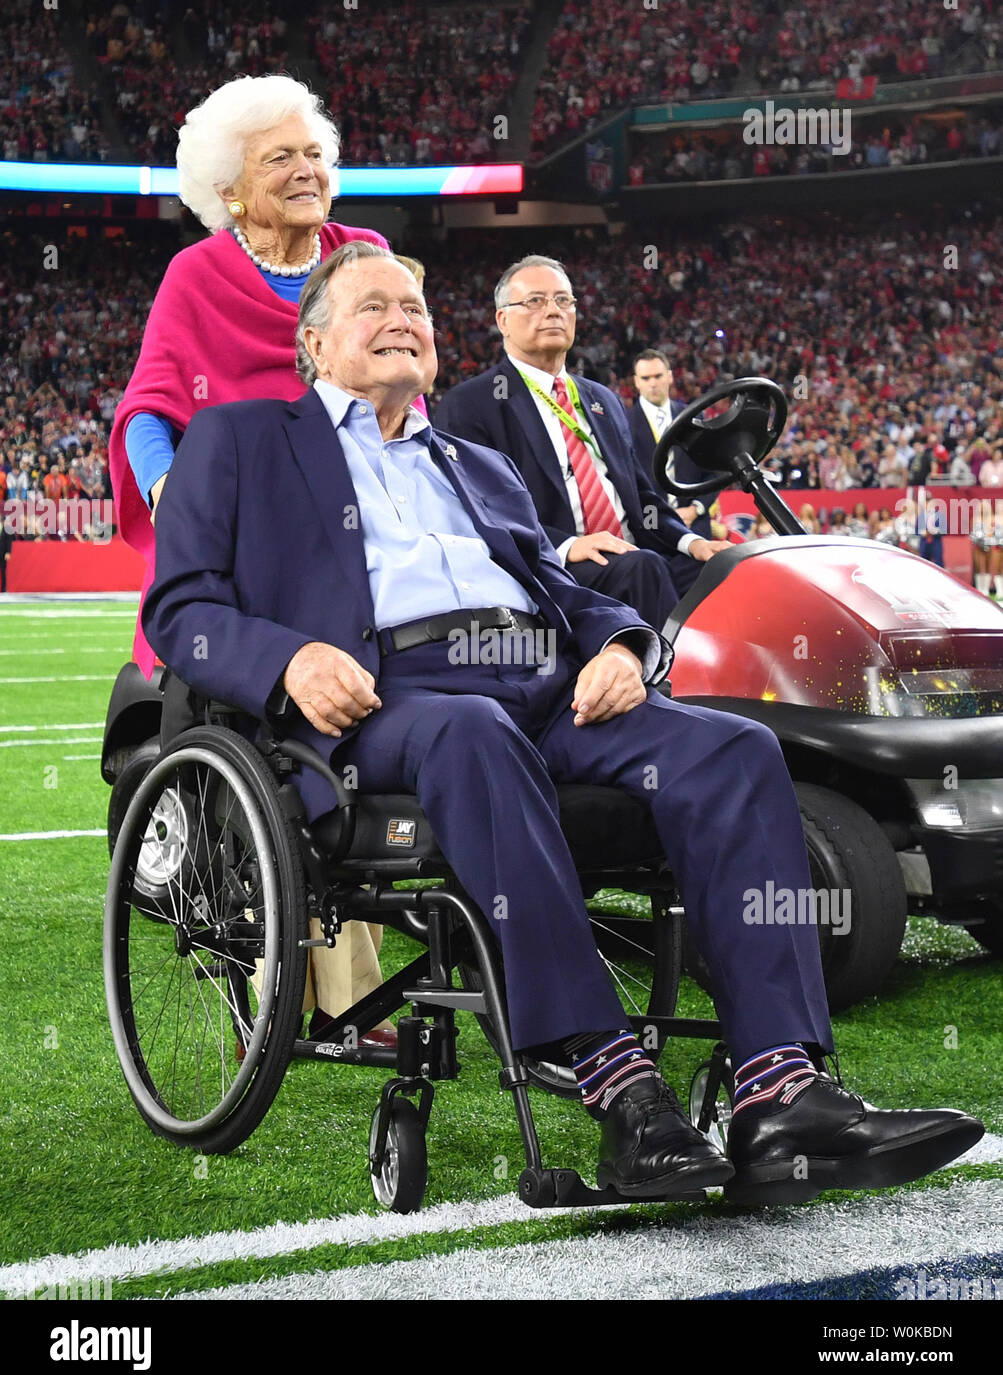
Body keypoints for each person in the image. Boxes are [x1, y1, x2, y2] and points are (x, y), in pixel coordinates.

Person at [143, 242, 982, 1203]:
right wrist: (288, 660)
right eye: (373, 306)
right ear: (315, 343)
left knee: (733, 748)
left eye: (415, 308)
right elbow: (182, 612)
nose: (403, 320)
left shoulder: (478, 464)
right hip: (388, 699)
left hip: (544, 685)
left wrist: (626, 647)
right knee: (472, 733)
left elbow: (565, 587)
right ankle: (620, 1089)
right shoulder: (245, 439)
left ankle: (778, 1089)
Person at [109, 73, 396, 1043]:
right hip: (244, 535)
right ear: (231, 189)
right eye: (282, 158)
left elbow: (406, 388)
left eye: (315, 153)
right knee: (274, 700)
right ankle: (288, 973)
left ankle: (348, 986)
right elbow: (151, 405)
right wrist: (171, 492)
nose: (309, 169)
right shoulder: (197, 276)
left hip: (357, 526)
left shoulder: (367, 258)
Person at [435, 256, 729, 633]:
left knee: (730, 565)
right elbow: (477, 509)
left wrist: (692, 543)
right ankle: (671, 686)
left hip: (634, 554)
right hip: (551, 567)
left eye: (563, 301)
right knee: (644, 568)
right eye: (535, 301)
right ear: (502, 320)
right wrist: (567, 545)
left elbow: (640, 495)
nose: (553, 311)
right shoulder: (473, 403)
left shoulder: (602, 399)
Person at [628, 348, 720, 595]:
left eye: (658, 376)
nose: (653, 383)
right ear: (636, 382)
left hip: (696, 529)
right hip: (651, 534)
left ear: (669, 376)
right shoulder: (623, 424)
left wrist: (695, 509)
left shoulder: (694, 417)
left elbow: (714, 473)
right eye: (646, 379)